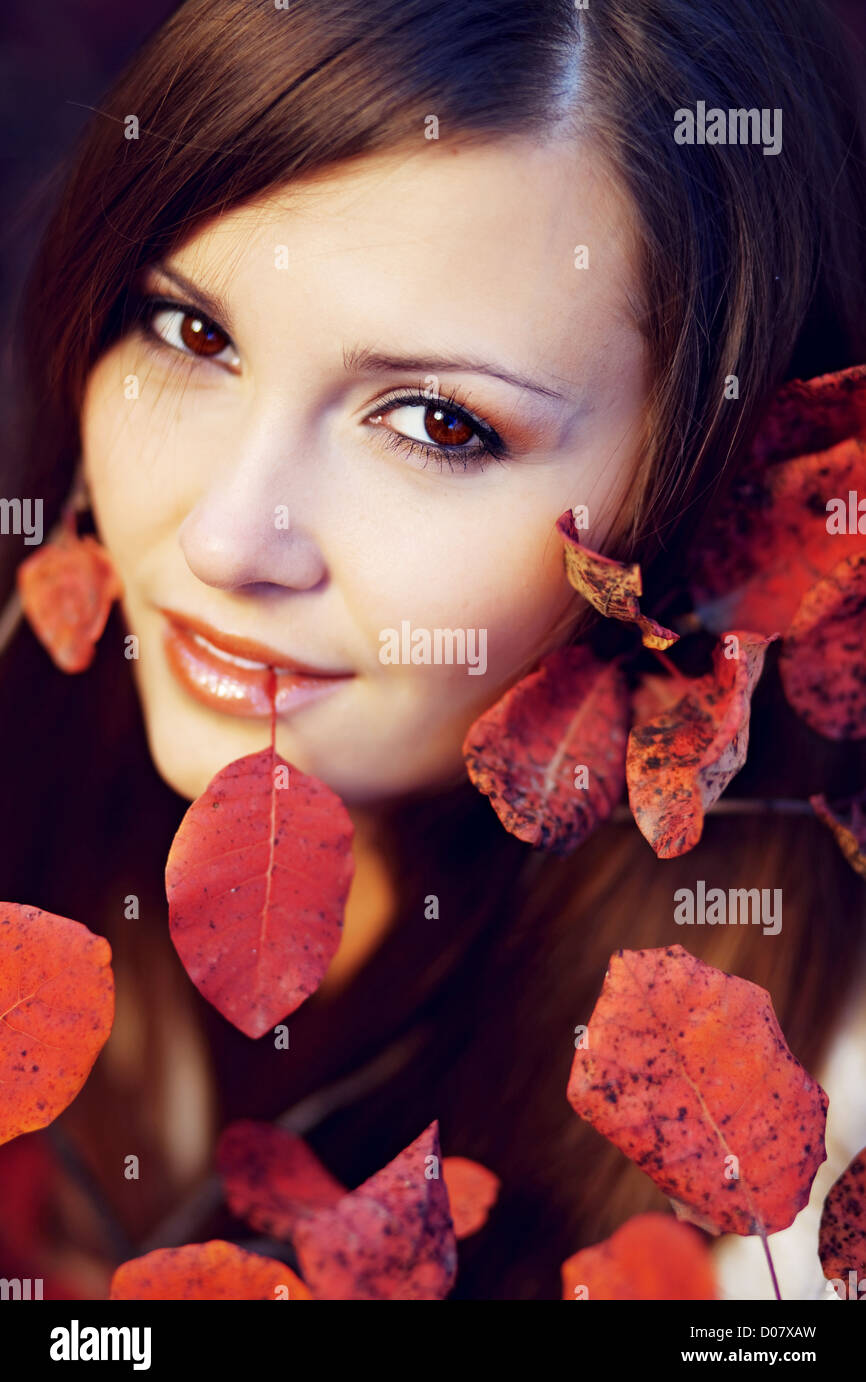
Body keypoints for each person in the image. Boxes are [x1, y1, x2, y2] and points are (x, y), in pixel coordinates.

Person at [1, 0, 864, 1300]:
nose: (230, 537)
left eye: (434, 422)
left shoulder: (784, 1223)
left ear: (708, 489)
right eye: (191, 332)